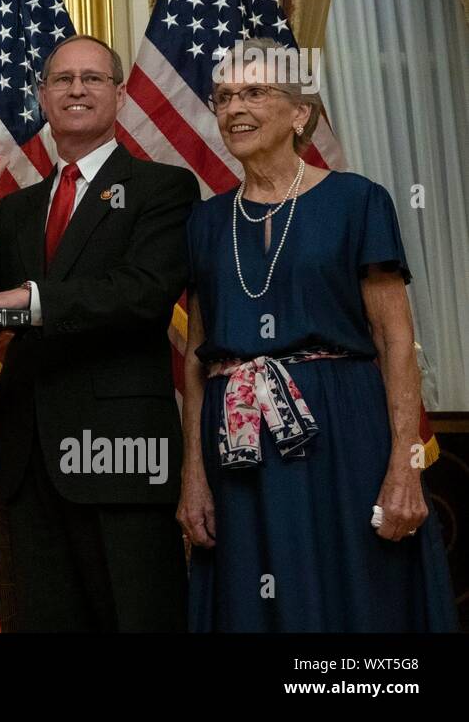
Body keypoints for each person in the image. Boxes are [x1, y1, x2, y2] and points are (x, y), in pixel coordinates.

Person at [177, 38, 456, 631]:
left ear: (300, 113)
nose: (234, 108)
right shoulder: (204, 221)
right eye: (224, 97)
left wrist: (406, 466)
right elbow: (198, 360)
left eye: (254, 92)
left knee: (354, 589)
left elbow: (396, 342)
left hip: (343, 428)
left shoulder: (358, 201)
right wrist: (193, 478)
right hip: (238, 443)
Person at [0, 34, 199, 632]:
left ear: (120, 95)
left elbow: (140, 293)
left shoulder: (163, 189)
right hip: (31, 459)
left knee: (139, 619)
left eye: (93, 78)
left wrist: (32, 299)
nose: (76, 89)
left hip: (125, 458)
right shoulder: (18, 208)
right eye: (62, 79)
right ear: (42, 96)